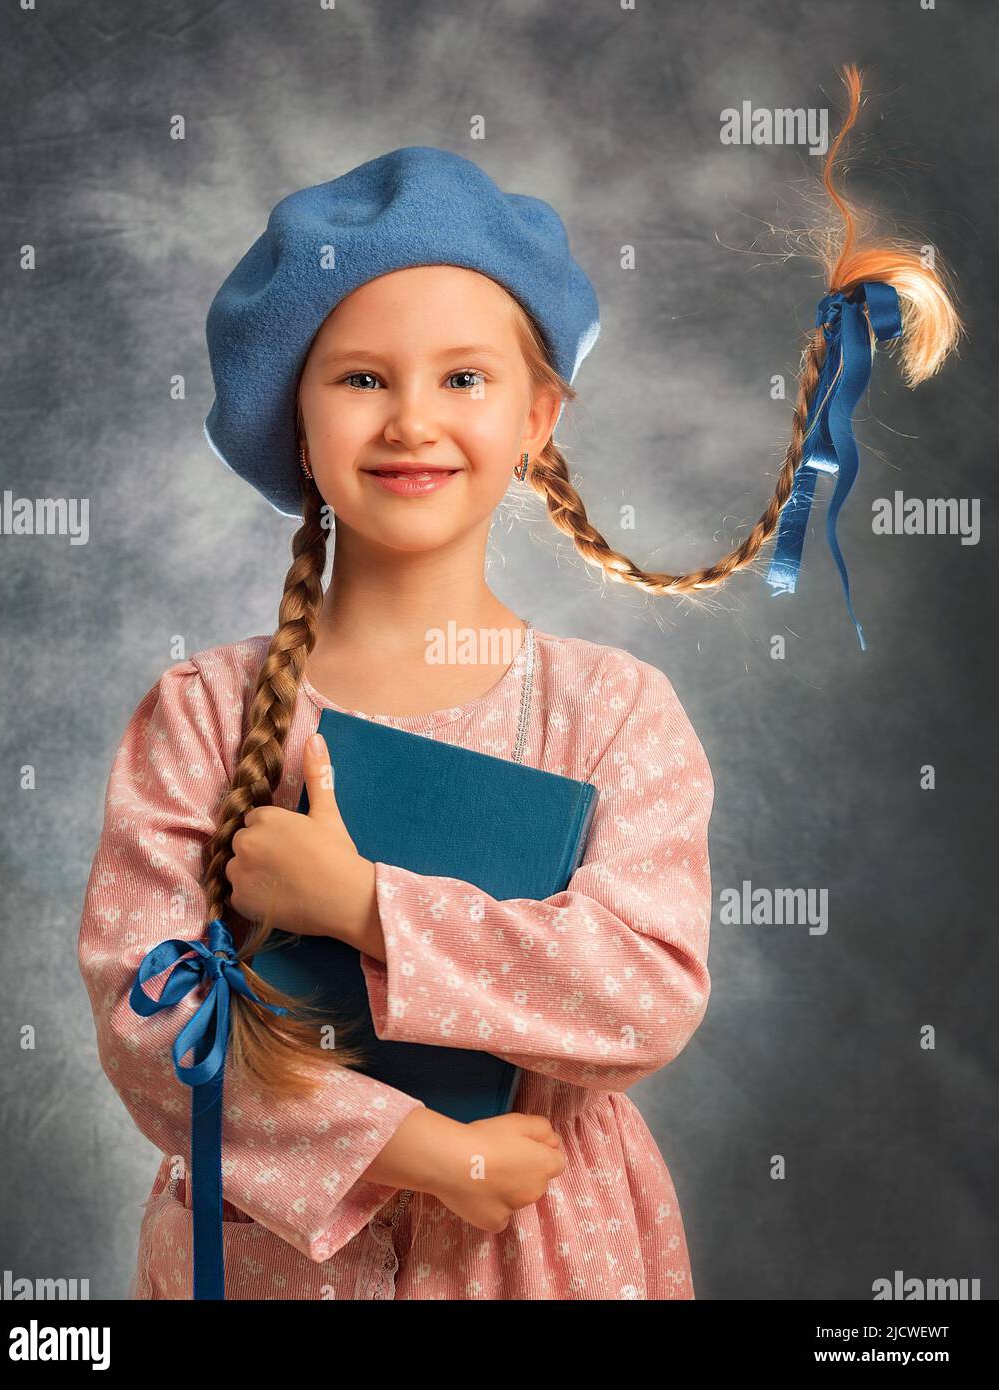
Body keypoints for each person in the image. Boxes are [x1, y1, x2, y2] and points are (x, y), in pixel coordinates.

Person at [77, 66, 961, 1300]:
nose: (410, 422)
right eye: (362, 377)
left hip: (542, 1246)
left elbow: (642, 992)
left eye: (464, 377)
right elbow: (145, 1021)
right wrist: (424, 1150)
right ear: (295, 416)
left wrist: (367, 905)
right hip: (268, 1256)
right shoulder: (202, 714)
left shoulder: (612, 713)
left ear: (539, 414)